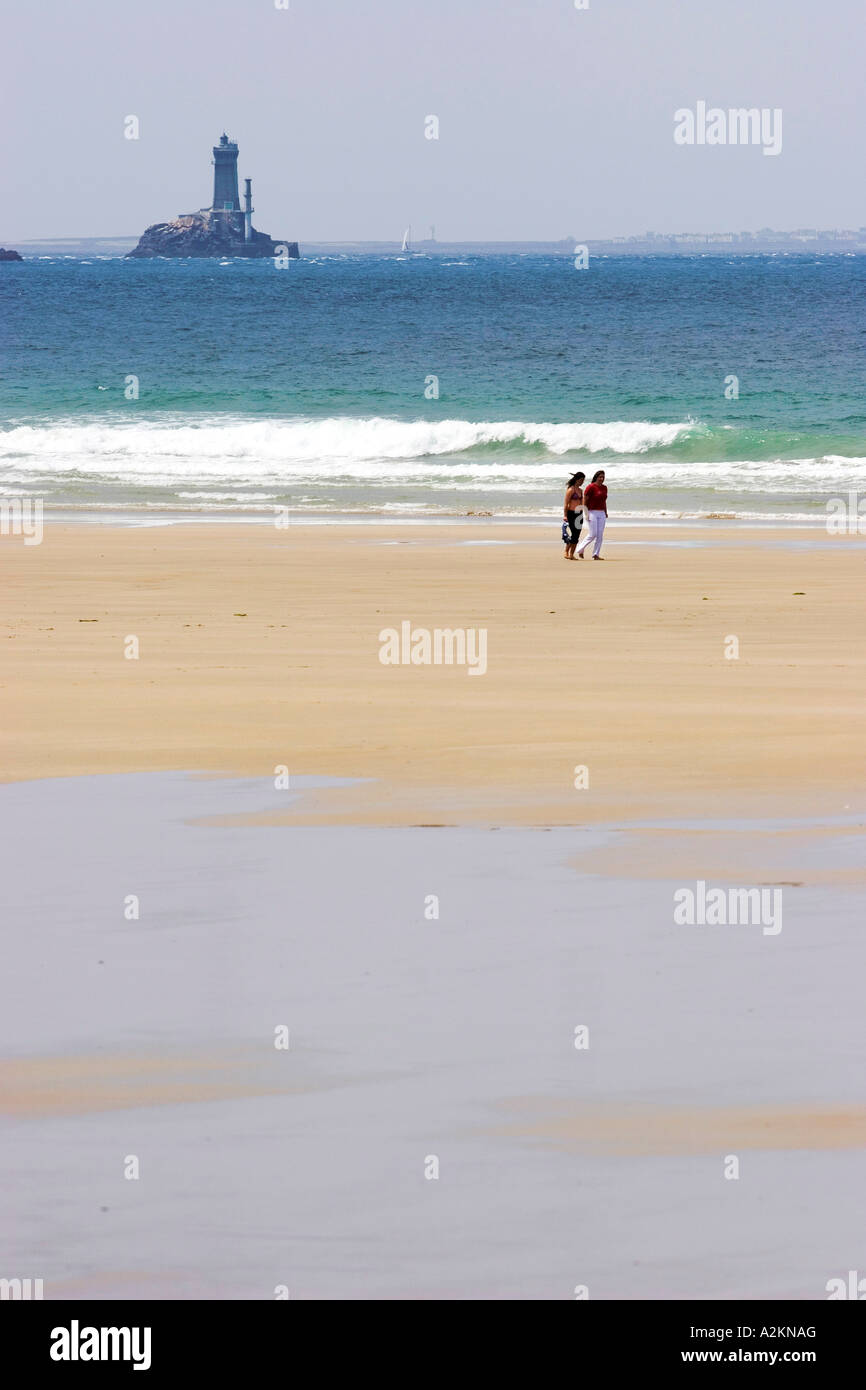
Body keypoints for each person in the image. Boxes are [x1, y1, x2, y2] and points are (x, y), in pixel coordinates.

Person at [576, 469, 608, 559]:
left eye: (603, 477)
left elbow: (604, 501)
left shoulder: (605, 488)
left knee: (600, 535)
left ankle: (596, 554)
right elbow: (584, 500)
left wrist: (605, 512)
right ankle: (580, 549)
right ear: (596, 477)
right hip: (591, 512)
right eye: (600, 477)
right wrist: (585, 513)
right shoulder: (591, 487)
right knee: (592, 534)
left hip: (601, 513)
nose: (602, 479)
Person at [562, 471, 585, 560]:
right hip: (571, 514)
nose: (582, 482)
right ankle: (567, 552)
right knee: (574, 534)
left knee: (577, 535)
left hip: (579, 515)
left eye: (583, 480)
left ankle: (571, 554)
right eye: (581, 480)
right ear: (577, 479)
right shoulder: (571, 490)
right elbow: (566, 504)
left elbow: (582, 503)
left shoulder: (580, 490)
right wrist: (565, 515)